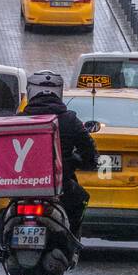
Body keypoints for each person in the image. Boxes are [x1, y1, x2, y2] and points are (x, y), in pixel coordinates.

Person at [21, 70, 98, 242]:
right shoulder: (69, 120)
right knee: (81, 199)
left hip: (23, 185)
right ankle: (72, 241)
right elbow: (88, 148)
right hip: (61, 185)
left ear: (31, 91)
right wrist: (87, 161)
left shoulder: (19, 119)